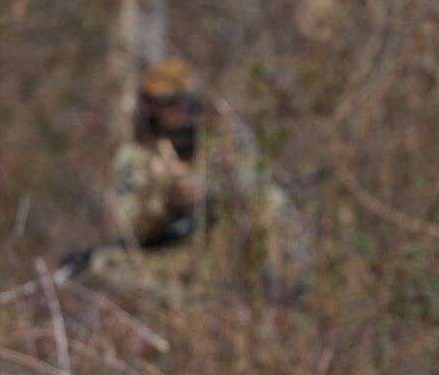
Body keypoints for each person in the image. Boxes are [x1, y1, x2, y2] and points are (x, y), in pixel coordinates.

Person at [62, 58, 310, 299]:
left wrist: (207, 191)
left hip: (225, 247)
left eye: (187, 102)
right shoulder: (137, 156)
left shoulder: (225, 140)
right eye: (171, 103)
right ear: (152, 107)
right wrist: (164, 194)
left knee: (272, 200)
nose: (182, 112)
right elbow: (129, 229)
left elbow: (253, 181)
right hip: (173, 256)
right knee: (102, 264)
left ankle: (287, 289)